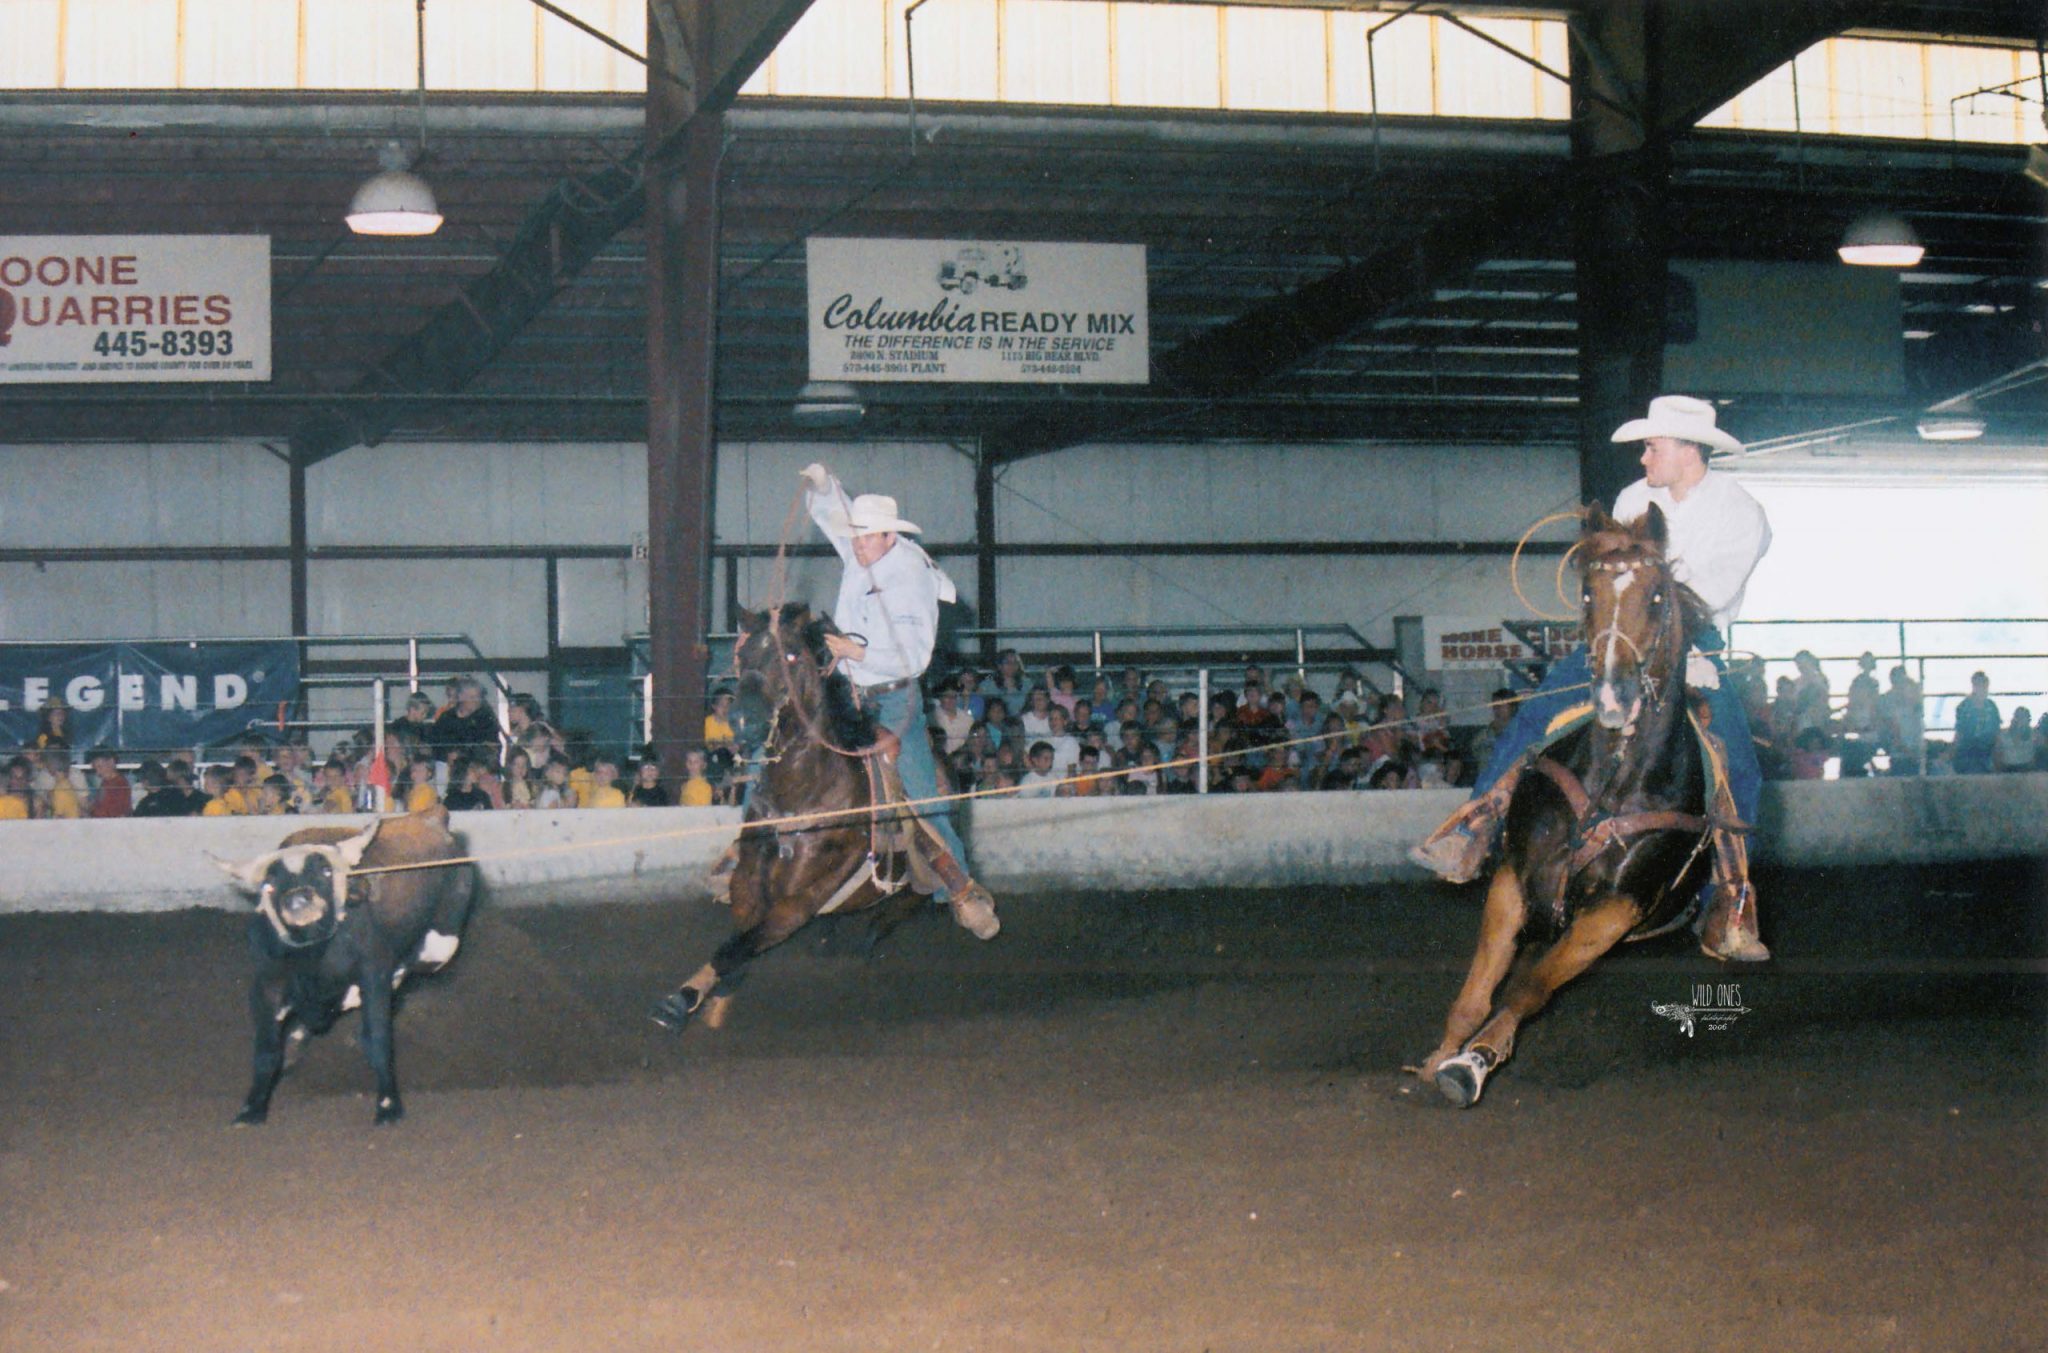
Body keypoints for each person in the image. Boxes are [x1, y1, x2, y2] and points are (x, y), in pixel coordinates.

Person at [1410, 394, 1772, 962]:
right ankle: (1472, 831)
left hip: (1689, 647)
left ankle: (1726, 902)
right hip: (1617, 641)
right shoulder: (1635, 498)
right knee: (1536, 712)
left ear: (1686, 449)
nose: (1644, 456)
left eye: (1652, 446)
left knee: (1738, 769)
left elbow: (1707, 596)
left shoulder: (1740, 512)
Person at [797, 462, 999, 939]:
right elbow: (836, 517)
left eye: (864, 539)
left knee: (919, 792)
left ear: (889, 537)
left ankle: (961, 887)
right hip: (849, 689)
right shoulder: (863, 549)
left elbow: (913, 655)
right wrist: (826, 485)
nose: (855, 545)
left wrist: (858, 650)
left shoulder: (911, 577)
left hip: (893, 697)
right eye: (856, 539)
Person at [1951, 671, 2000, 774]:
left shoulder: (1992, 707)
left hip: (1988, 750)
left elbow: (1996, 732)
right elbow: (1959, 732)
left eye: (1984, 685)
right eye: (1979, 684)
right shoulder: (1964, 707)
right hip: (1968, 751)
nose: (1982, 688)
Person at [86, 747, 132, 818]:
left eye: (100, 767)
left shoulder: (120, 785)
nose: (98, 773)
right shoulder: (106, 782)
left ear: (111, 762)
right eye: (95, 769)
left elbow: (113, 813)